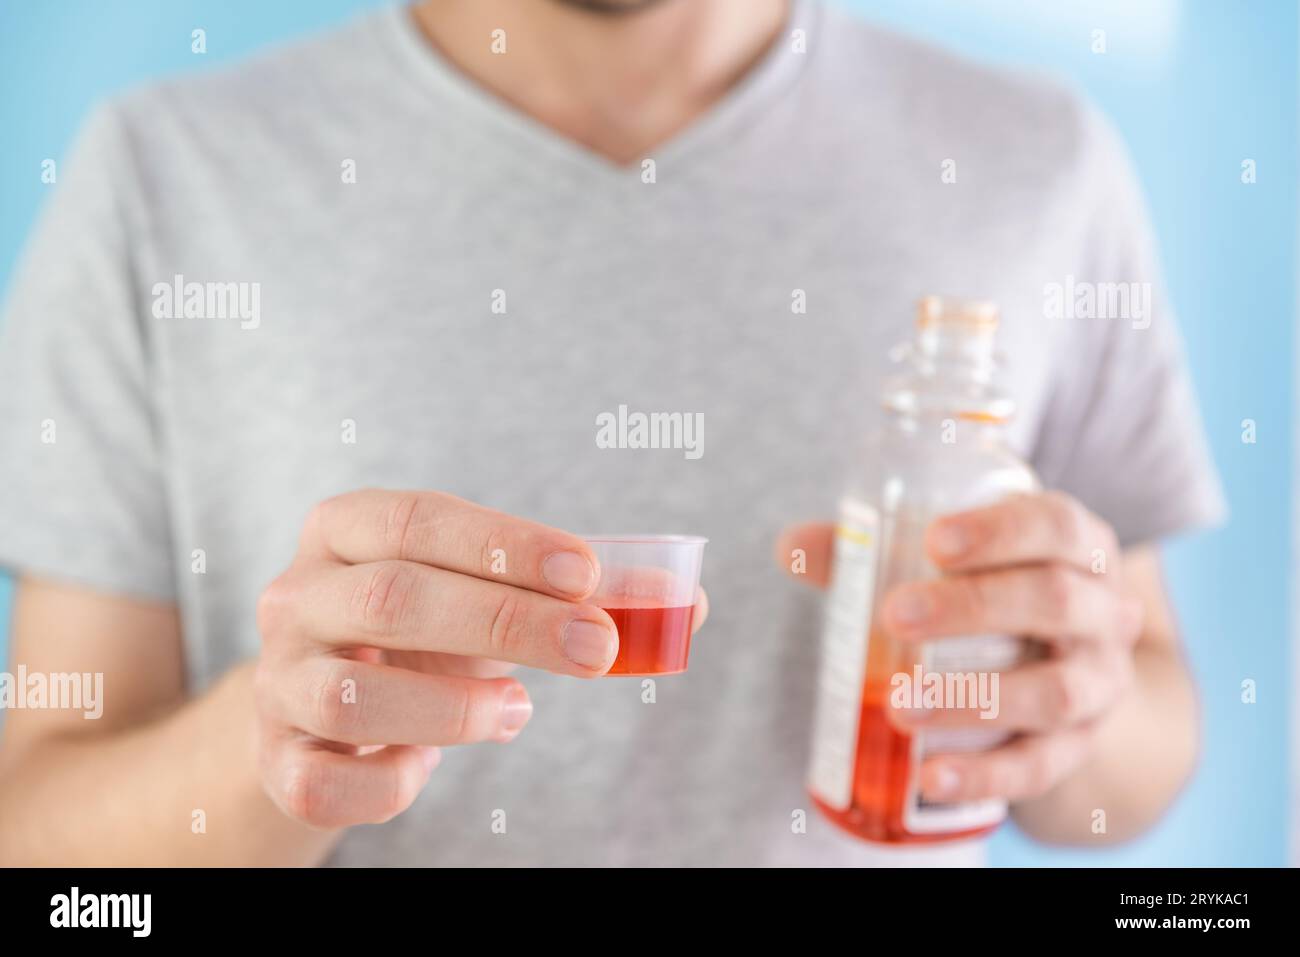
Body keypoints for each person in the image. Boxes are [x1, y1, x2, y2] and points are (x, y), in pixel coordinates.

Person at [0, 0, 1223, 866]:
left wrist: (1075, 709)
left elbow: (1147, 750)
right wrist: (269, 746)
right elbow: (37, 839)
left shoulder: (1033, 161)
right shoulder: (168, 170)